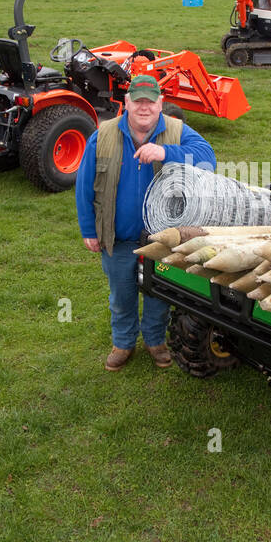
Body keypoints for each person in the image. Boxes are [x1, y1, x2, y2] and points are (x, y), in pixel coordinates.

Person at [75, 76, 216, 371]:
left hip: (163, 239)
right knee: (122, 294)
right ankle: (123, 343)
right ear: (126, 103)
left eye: (150, 101)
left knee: (159, 294)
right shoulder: (103, 135)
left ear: (160, 104)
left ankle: (155, 341)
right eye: (137, 101)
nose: (144, 107)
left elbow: (208, 160)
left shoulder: (176, 131)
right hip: (119, 236)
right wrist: (89, 229)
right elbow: (85, 185)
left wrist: (166, 153)